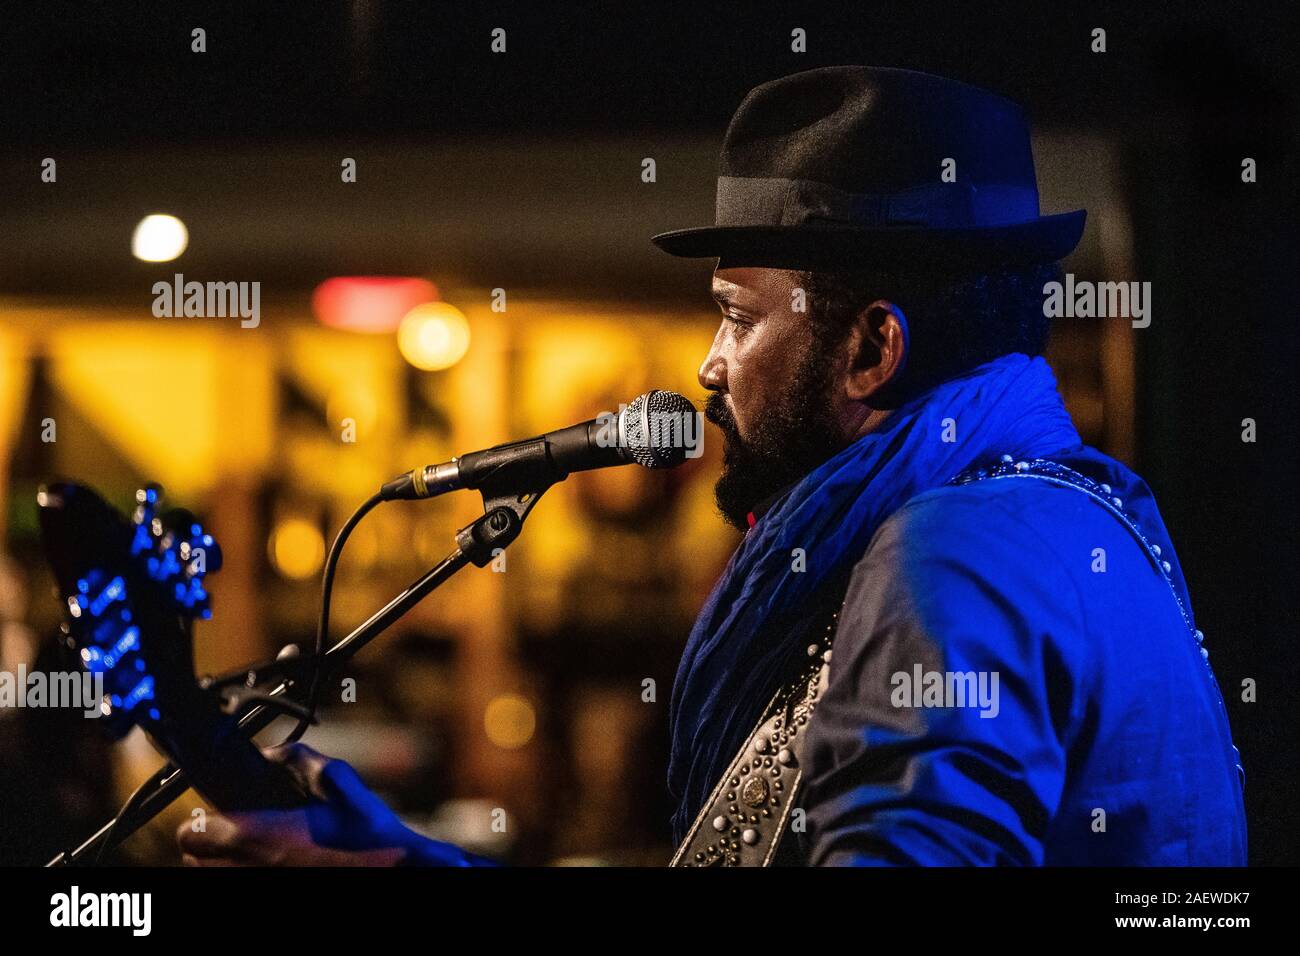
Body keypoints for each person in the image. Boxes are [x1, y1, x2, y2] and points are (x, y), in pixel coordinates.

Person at [179, 66, 1247, 867]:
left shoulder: (956, 550)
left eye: (737, 317)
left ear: (873, 345)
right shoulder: (1061, 518)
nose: (708, 363)